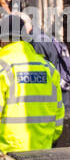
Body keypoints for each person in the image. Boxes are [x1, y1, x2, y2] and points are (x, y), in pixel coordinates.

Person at [0, 12, 64, 152]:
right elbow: (59, 112)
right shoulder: (48, 68)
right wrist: (50, 137)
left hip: (7, 152)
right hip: (43, 147)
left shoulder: (2, 67)